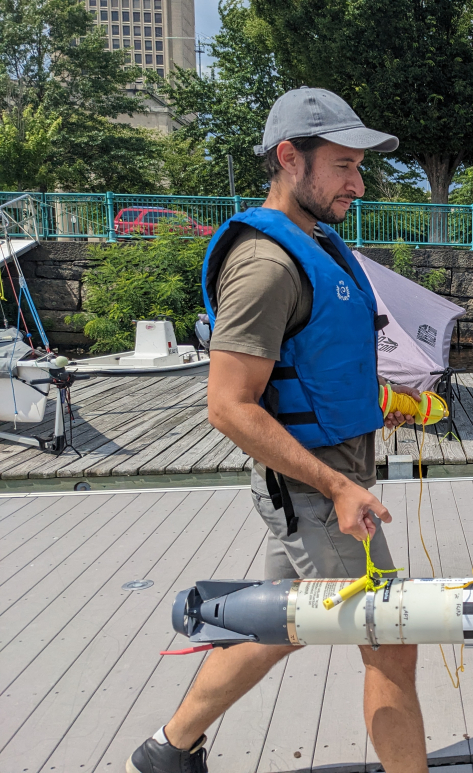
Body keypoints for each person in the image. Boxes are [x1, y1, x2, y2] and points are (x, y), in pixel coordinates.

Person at [128, 87, 429, 773]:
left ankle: (166, 750)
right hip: (317, 489)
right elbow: (229, 405)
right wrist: (336, 486)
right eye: (344, 166)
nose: (358, 183)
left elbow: (313, 364)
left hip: (328, 478)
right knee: (391, 638)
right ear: (290, 158)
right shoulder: (265, 265)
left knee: (279, 622)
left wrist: (386, 396)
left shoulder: (319, 241)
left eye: (360, 167)